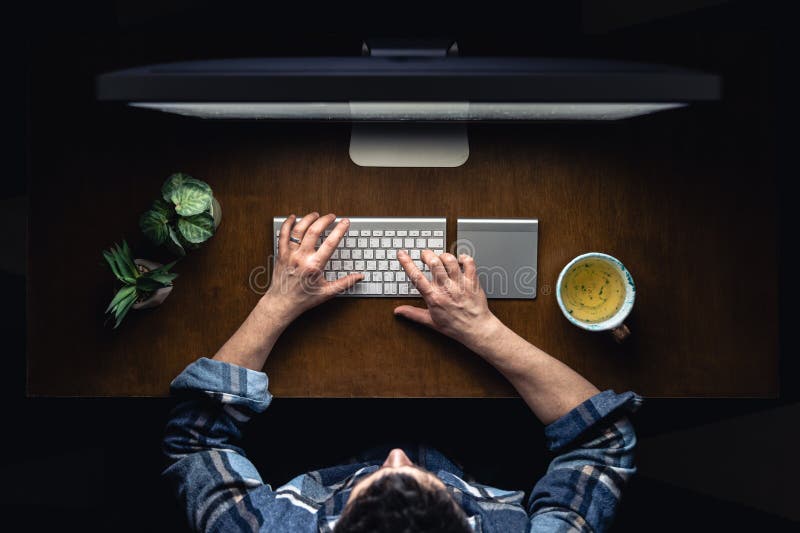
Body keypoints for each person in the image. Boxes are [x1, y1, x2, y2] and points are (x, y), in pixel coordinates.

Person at [163, 212, 642, 532]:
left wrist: (276, 303)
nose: (395, 453)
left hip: (308, 440)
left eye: (377, 481)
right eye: (415, 476)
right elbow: (603, 443)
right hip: (489, 447)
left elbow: (197, 441)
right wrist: (481, 330)